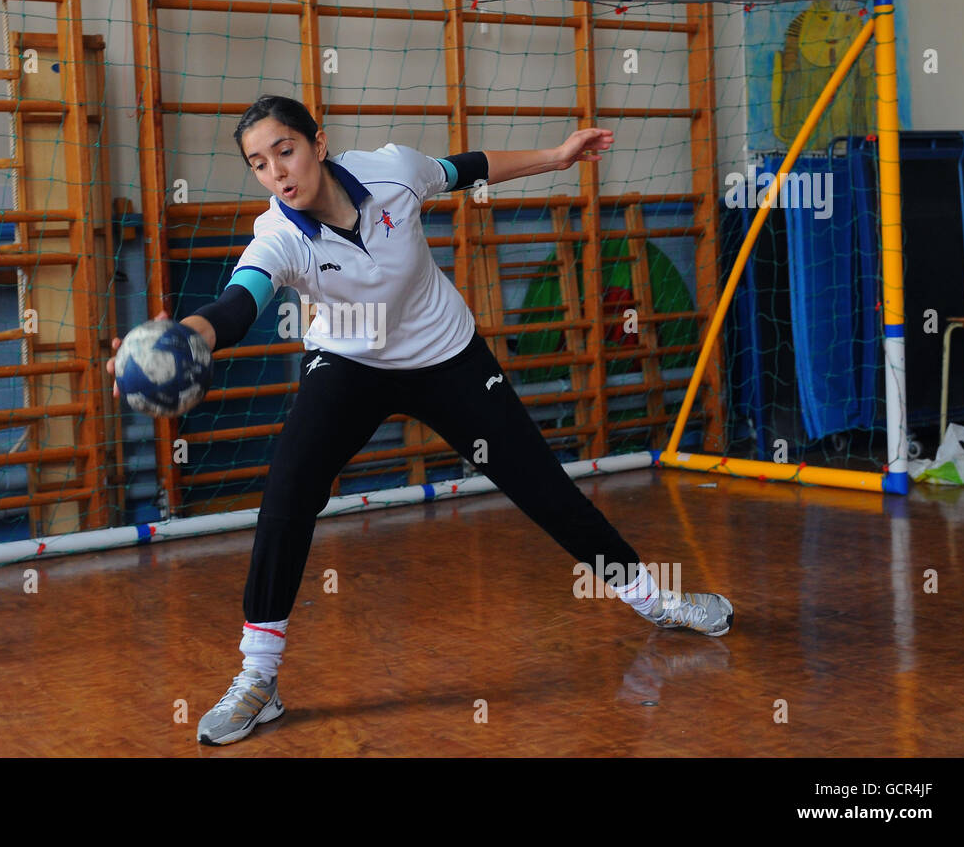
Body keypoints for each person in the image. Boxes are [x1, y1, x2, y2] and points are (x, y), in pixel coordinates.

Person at [106, 94, 733, 747]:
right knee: (287, 494)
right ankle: (258, 678)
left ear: (318, 144)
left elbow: (468, 167)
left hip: (445, 355)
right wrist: (188, 336)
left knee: (543, 487)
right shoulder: (280, 235)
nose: (278, 174)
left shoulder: (392, 172)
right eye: (259, 165)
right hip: (349, 363)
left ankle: (652, 598)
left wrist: (556, 156)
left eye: (285, 151)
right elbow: (240, 302)